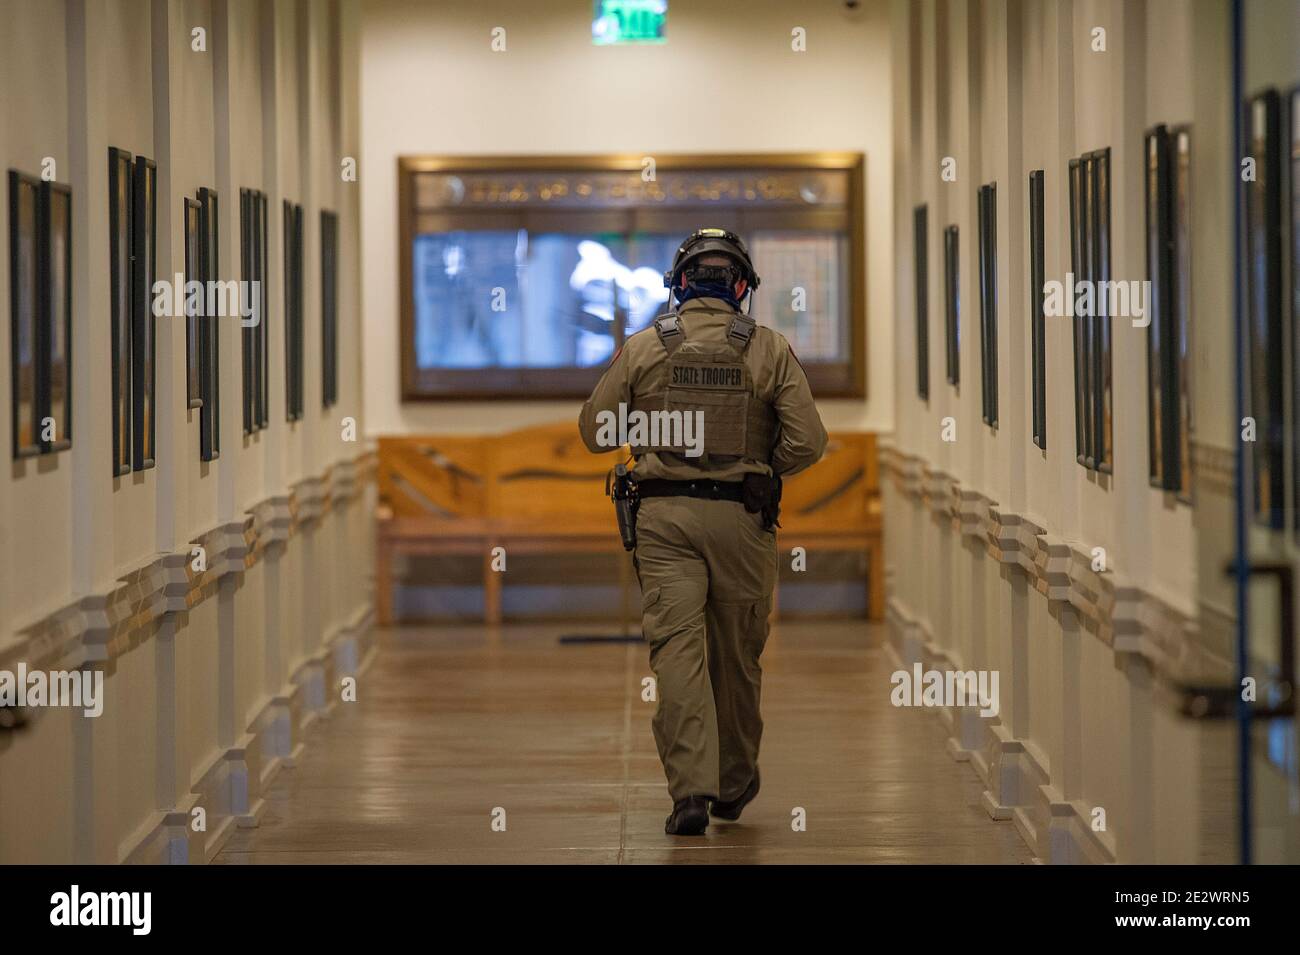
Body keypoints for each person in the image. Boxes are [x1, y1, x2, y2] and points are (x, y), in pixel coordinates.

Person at [578, 228, 828, 835]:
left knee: (678, 655)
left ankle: (690, 791)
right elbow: (809, 441)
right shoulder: (768, 349)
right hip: (743, 520)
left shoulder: (645, 346)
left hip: (665, 523)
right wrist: (761, 467)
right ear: (742, 287)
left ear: (678, 284)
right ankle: (734, 783)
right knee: (737, 657)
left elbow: (595, 431)